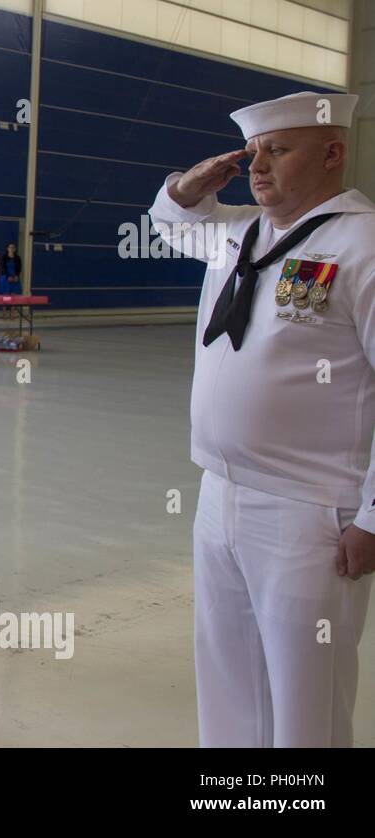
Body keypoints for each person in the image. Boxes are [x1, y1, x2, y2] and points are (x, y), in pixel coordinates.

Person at [149, 90, 375, 747]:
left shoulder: (361, 245)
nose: (258, 166)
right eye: (252, 153)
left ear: (333, 153)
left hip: (308, 509)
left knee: (306, 697)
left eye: (279, 150)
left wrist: (373, 516)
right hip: (219, 493)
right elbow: (168, 222)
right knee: (226, 677)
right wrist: (187, 186)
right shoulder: (237, 232)